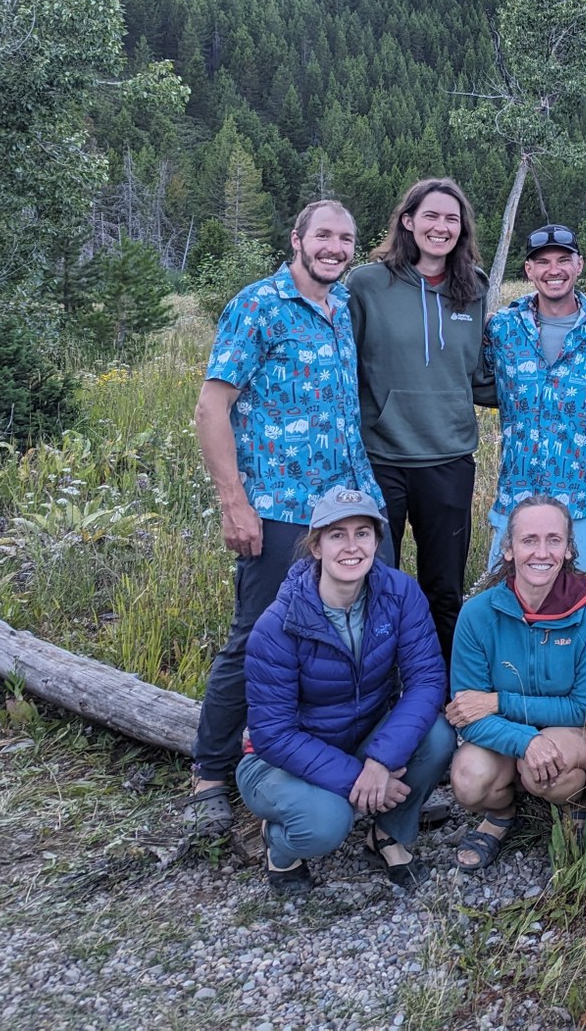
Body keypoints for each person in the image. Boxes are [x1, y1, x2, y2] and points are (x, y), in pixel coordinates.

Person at [184, 199, 386, 837]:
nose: (334, 247)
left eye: (345, 238)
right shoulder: (258, 305)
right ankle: (210, 774)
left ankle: (350, 763)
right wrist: (233, 501)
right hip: (278, 510)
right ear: (296, 239)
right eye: (323, 235)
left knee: (364, 634)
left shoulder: (340, 309)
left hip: (349, 508)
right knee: (257, 637)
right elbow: (211, 409)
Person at [236, 486, 454, 894]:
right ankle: (279, 845)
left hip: (359, 739)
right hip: (277, 760)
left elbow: (426, 681)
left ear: (377, 541)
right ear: (316, 546)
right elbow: (272, 734)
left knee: (437, 736)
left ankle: (388, 835)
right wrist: (361, 776)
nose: (351, 546)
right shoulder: (277, 625)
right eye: (337, 535)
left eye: (363, 533)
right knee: (327, 822)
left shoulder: (399, 593)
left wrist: (380, 760)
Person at [346, 177, 499, 661]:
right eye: (430, 216)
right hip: (381, 459)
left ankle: (447, 697)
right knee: (373, 585)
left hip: (449, 459)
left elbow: (475, 373)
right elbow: (343, 368)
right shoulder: (368, 284)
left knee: (445, 589)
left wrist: (544, 388)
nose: (441, 226)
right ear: (408, 222)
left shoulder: (472, 288)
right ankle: (377, 693)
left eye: (452, 218)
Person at [446, 496, 586, 869]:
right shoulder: (478, 614)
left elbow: (581, 708)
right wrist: (527, 740)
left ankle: (575, 806)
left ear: (569, 548)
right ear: (508, 549)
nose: (542, 552)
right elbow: (466, 710)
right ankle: (503, 814)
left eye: (554, 540)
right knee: (467, 779)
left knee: (549, 774)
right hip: (510, 734)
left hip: (576, 730)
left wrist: (497, 702)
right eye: (528, 540)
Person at [482, 224, 586, 577]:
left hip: (583, 500)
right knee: (507, 605)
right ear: (529, 270)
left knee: (580, 606)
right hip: (517, 495)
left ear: (578, 265)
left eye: (564, 260)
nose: (554, 270)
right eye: (542, 262)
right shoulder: (502, 328)